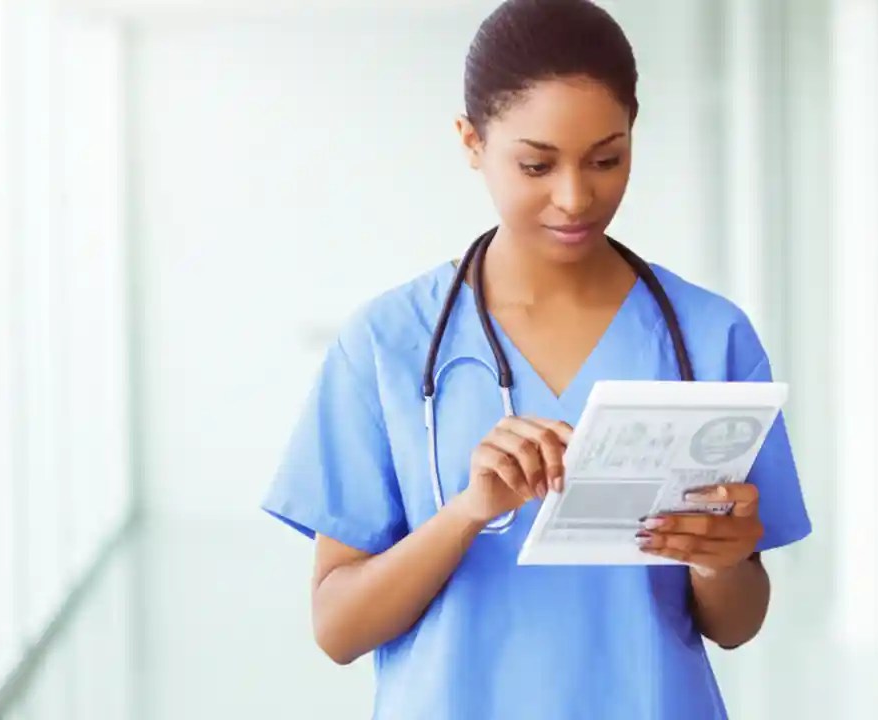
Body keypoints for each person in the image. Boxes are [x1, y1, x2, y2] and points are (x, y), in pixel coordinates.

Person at [261, 1, 812, 717]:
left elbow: (737, 626)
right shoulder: (387, 342)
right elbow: (338, 629)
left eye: (607, 159)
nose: (576, 197)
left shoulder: (710, 337)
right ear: (470, 141)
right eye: (536, 164)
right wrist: (468, 512)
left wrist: (718, 558)